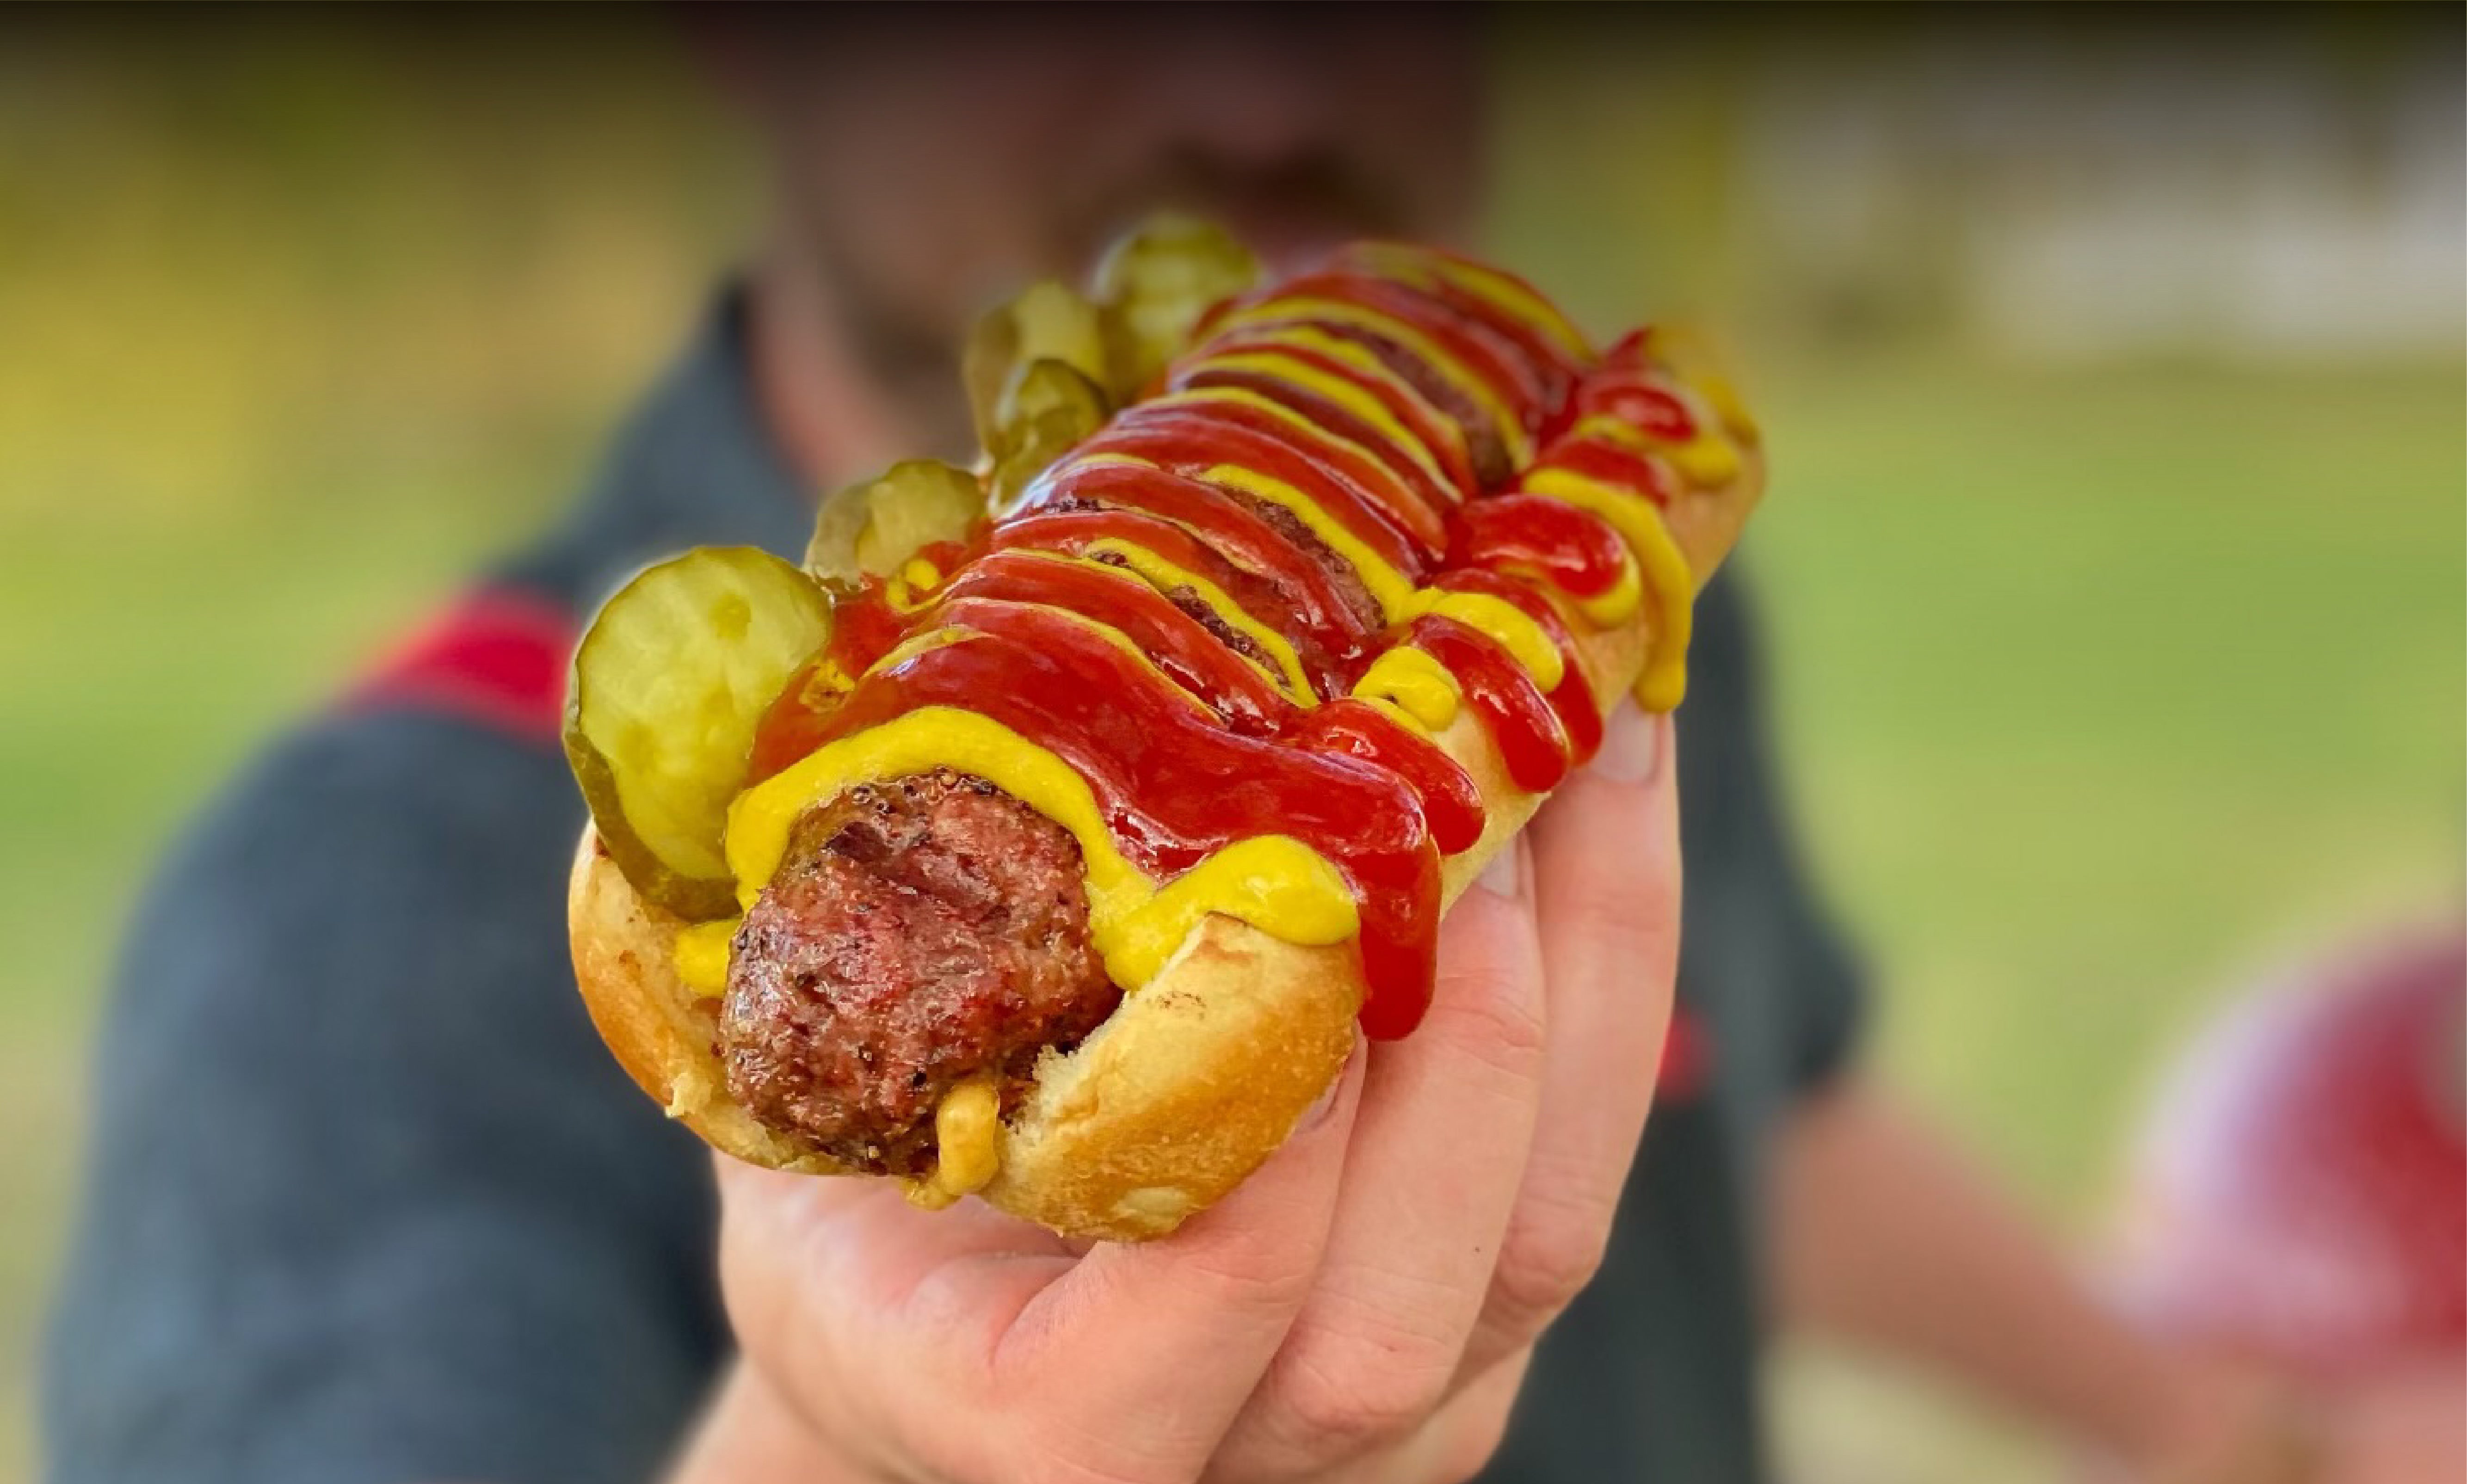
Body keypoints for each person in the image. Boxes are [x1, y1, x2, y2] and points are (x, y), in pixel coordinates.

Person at [40, 11, 2334, 1484]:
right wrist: (842, 1442)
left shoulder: (1575, 599)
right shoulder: (343, 906)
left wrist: (2216, 1425)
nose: (1254, 89)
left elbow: (1744, 1103)